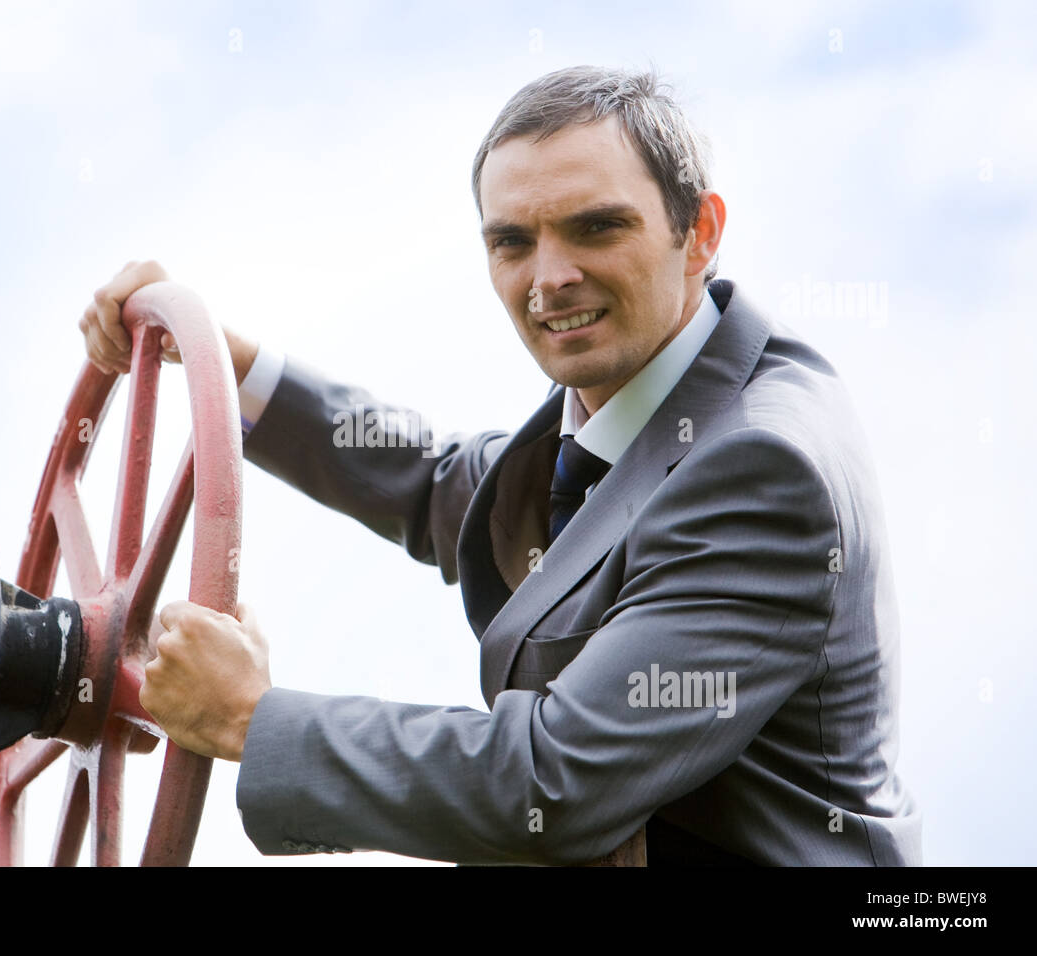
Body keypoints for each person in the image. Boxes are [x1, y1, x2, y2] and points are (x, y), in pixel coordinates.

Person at [78, 65, 921, 866]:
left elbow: (554, 782)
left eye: (597, 226)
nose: (549, 279)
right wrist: (231, 370)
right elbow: (443, 483)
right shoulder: (637, 406)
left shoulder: (762, 469)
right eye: (512, 242)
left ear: (698, 232)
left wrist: (251, 720)